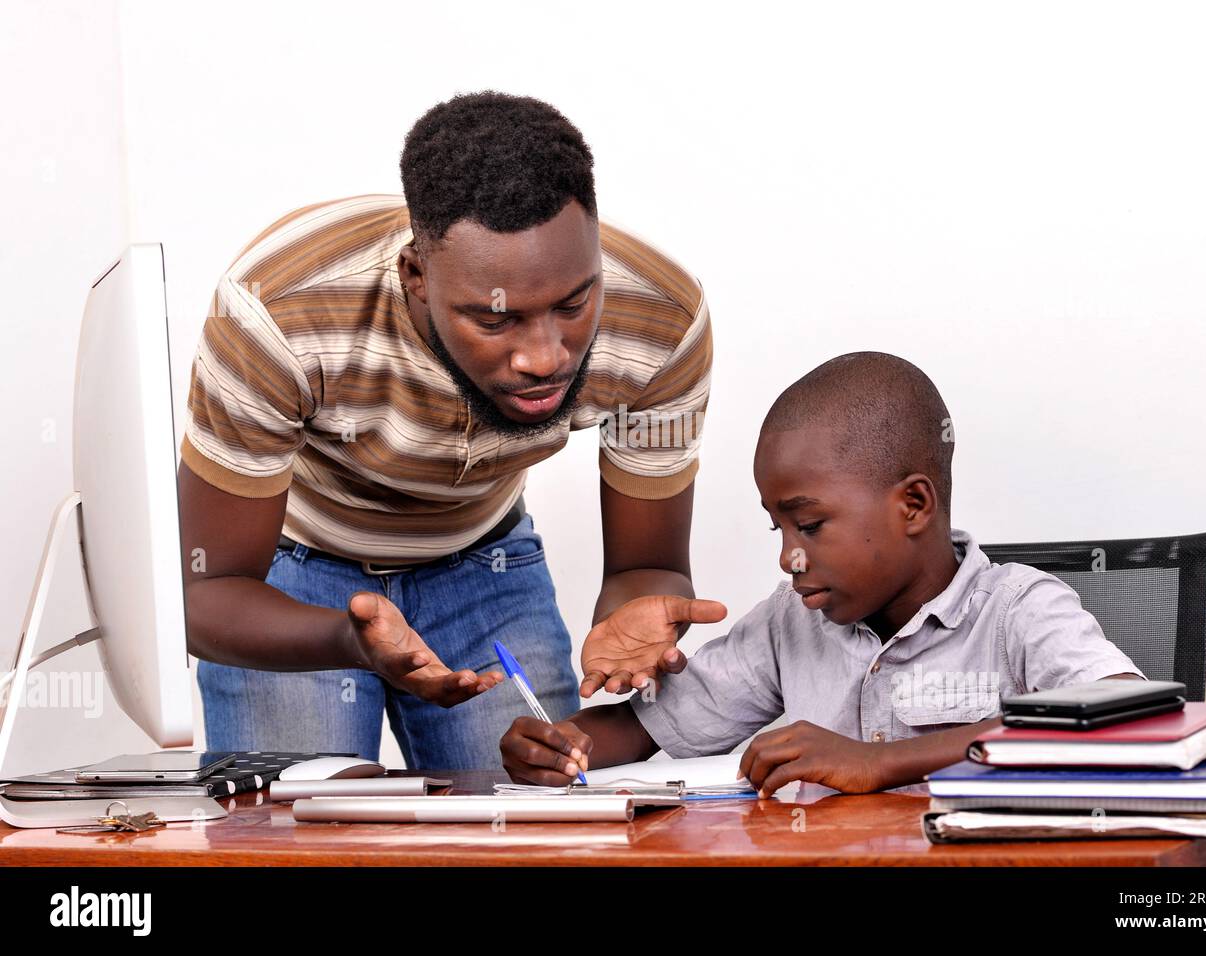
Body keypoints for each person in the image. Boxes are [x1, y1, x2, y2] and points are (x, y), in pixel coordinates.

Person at [180, 91, 722, 770]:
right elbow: (208, 590)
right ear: (415, 276)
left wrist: (631, 630)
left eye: (574, 302)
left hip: (484, 562)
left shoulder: (660, 323)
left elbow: (647, 567)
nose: (544, 358)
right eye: (495, 320)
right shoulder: (274, 312)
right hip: (288, 572)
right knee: (292, 835)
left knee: (534, 823)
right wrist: (351, 641)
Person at [500, 352, 1145, 795]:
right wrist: (560, 744)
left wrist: (881, 762)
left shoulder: (1018, 610)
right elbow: (642, 731)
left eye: (808, 526)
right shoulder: (792, 623)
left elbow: (1121, 720)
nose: (789, 556)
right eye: (778, 528)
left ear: (913, 505)